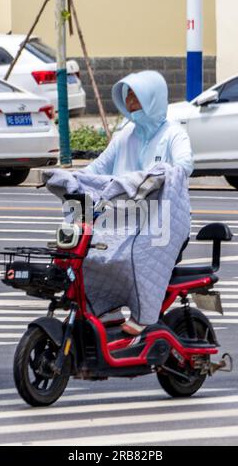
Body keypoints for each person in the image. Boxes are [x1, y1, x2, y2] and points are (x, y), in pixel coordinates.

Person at [85, 70, 194, 335]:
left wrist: (162, 173)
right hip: (124, 217)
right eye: (128, 94)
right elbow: (99, 166)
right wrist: (73, 179)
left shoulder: (173, 134)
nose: (131, 99)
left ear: (152, 98)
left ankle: (144, 315)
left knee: (141, 252)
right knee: (87, 248)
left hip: (161, 220)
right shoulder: (125, 134)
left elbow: (185, 164)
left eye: (136, 94)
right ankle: (106, 308)